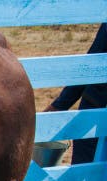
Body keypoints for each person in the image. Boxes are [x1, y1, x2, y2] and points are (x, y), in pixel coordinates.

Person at [44, 23, 106, 165]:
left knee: (84, 170)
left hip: (95, 109)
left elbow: (91, 63)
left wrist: (60, 105)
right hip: (96, 106)